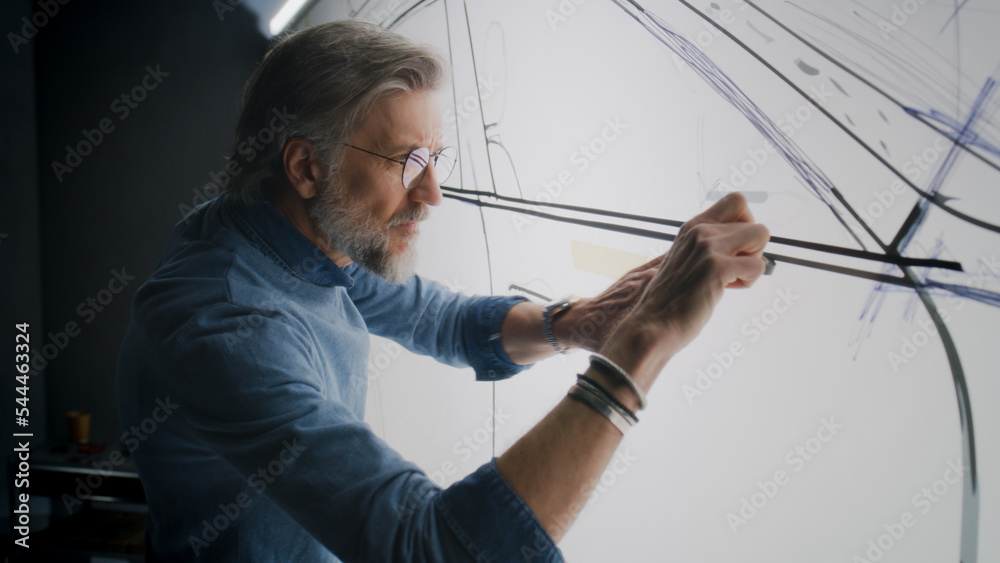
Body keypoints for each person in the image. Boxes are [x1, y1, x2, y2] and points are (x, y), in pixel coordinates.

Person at [116, 20, 770, 562]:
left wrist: (576, 323)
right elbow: (427, 549)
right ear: (307, 166)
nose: (431, 195)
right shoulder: (228, 323)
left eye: (437, 160)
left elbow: (440, 319)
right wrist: (638, 350)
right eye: (408, 163)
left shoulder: (287, 233)